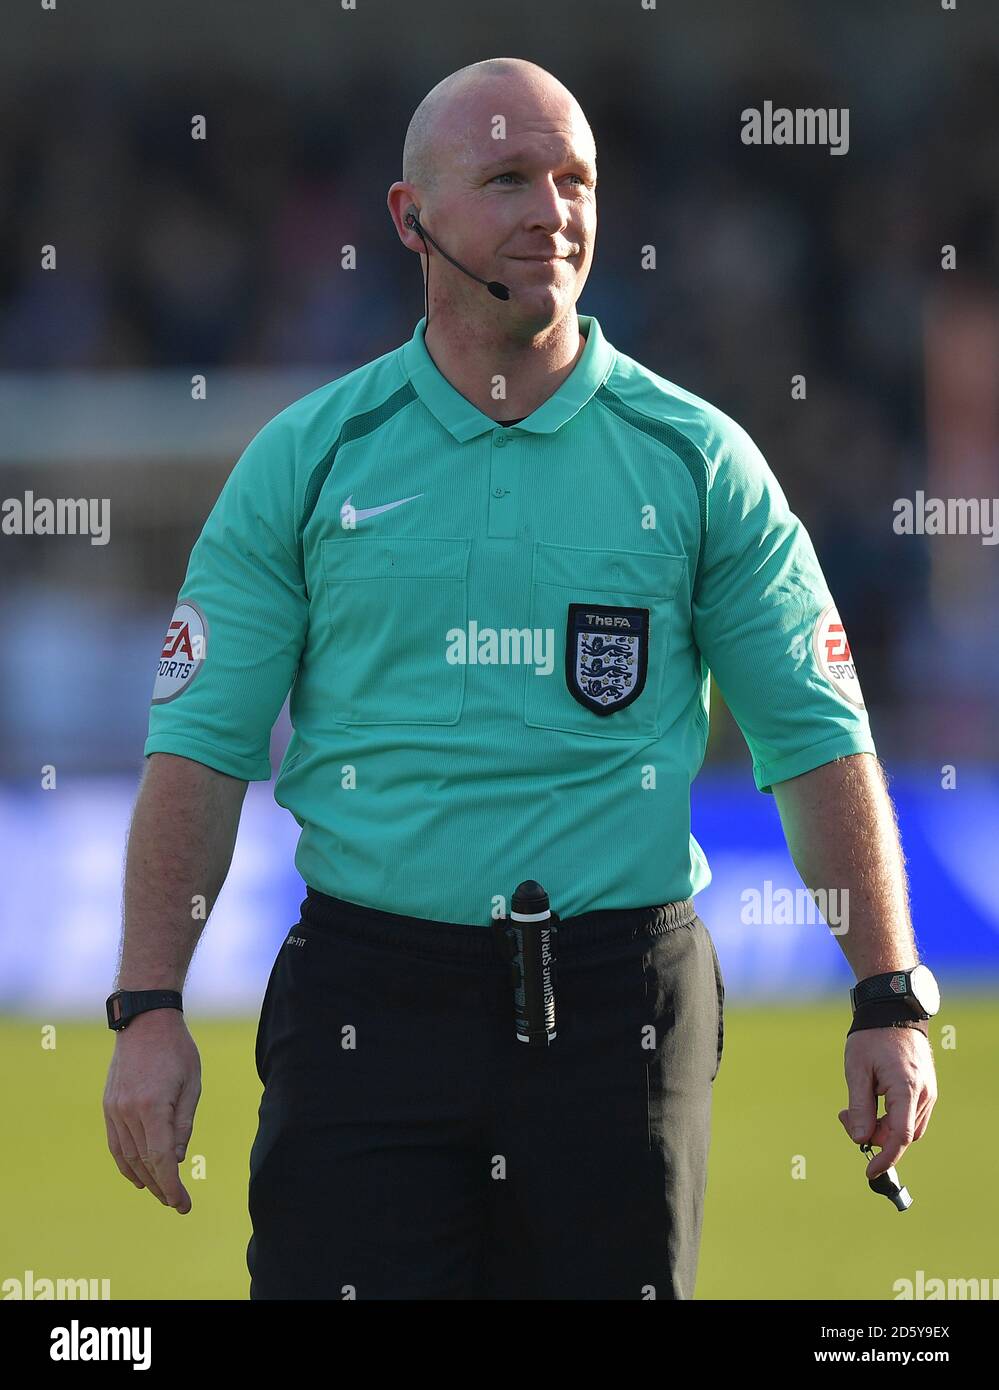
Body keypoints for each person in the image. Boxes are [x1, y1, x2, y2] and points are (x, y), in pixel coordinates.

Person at [102, 57, 938, 1301]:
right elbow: (203, 750)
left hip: (620, 1012)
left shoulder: (697, 461)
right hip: (367, 1008)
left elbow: (818, 745)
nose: (554, 209)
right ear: (410, 219)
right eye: (508, 179)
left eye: (575, 179)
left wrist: (886, 991)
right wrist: (148, 1007)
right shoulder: (309, 459)